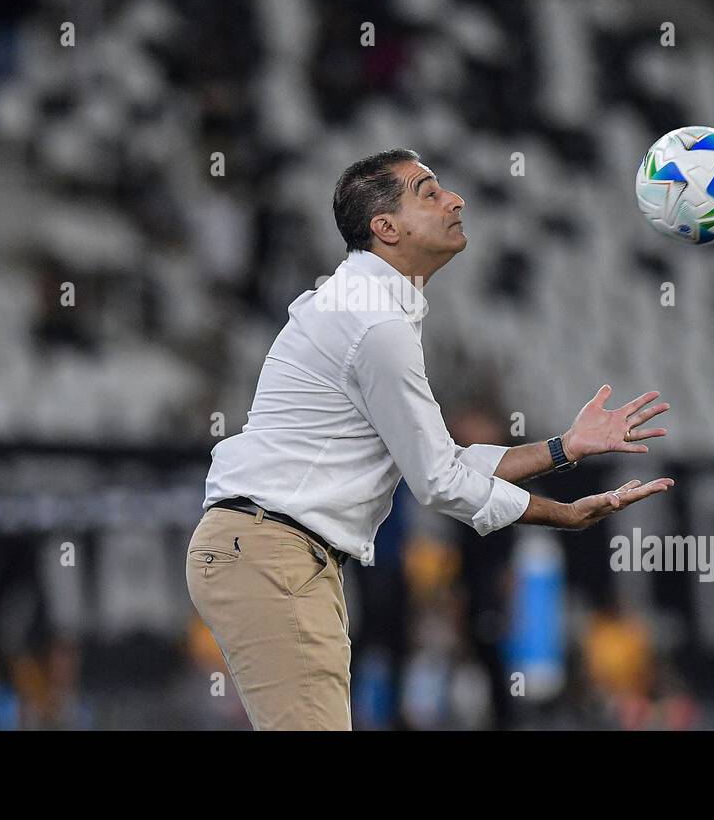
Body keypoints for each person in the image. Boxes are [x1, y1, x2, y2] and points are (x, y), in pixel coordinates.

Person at [185, 149, 674, 730]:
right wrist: (559, 515)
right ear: (385, 228)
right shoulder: (376, 326)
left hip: (270, 550)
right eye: (429, 192)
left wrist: (562, 449)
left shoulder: (365, 307)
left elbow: (440, 462)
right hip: (271, 554)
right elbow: (440, 483)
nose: (455, 200)